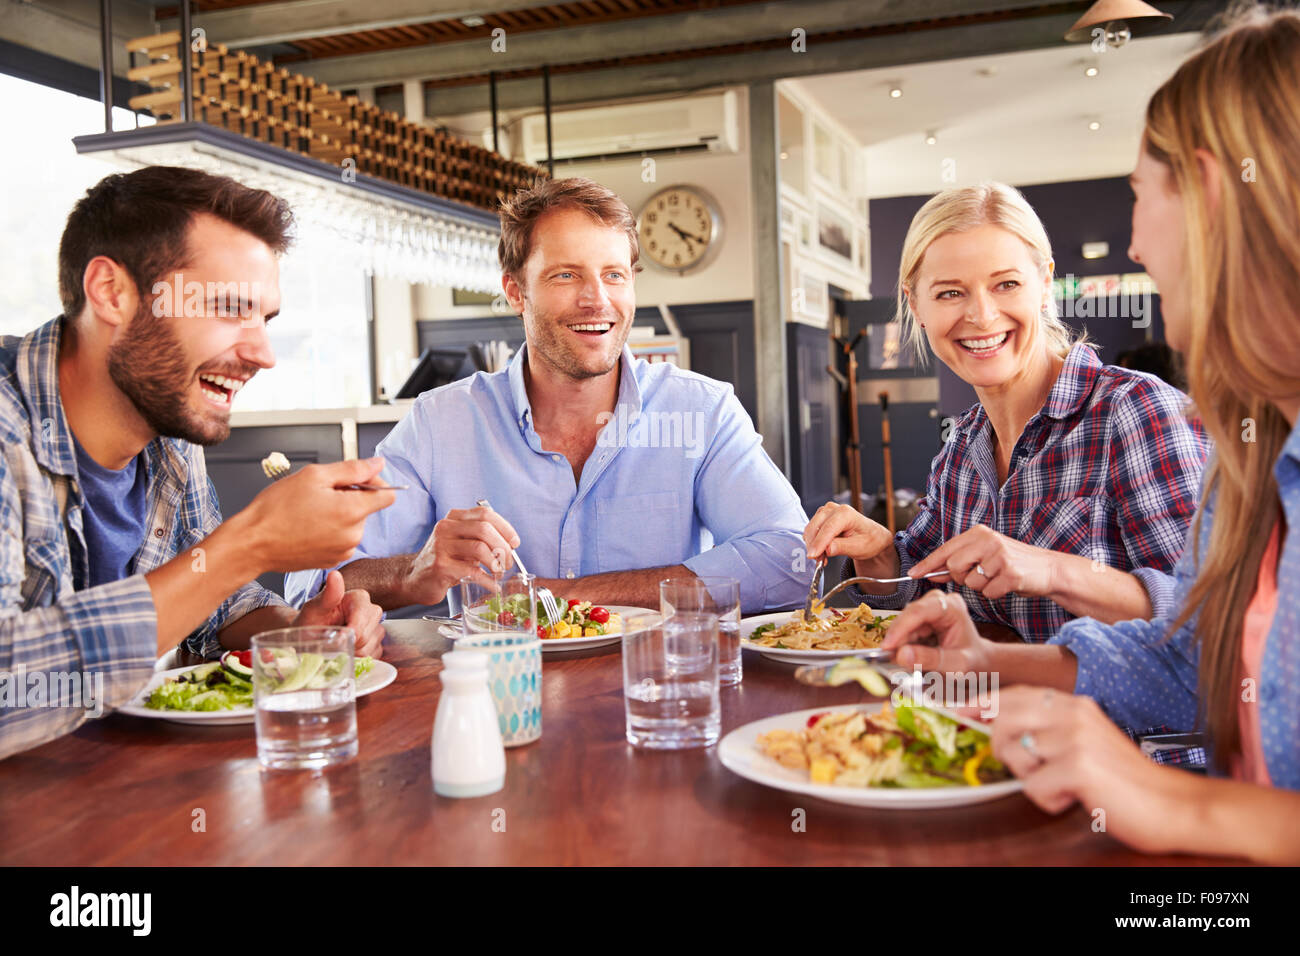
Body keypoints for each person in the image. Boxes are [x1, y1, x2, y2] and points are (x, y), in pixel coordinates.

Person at [882, 5, 1300, 863]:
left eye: (1142, 196)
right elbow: (1193, 665)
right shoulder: (1254, 446)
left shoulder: (1147, 411)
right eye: (949, 292)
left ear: (1215, 195)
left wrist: (1178, 804)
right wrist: (993, 666)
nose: (1138, 247)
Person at [0, 166, 394, 760]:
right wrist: (251, 543)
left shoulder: (169, 437)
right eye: (229, 309)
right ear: (111, 292)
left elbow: (216, 605)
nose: (262, 353)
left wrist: (298, 633)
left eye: (265, 319)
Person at [285, 177, 807, 614]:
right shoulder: (441, 423)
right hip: (497, 713)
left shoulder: (702, 412)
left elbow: (790, 560)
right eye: (566, 275)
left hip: (658, 702)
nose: (596, 300)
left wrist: (565, 599)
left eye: (614, 275)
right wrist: (412, 571)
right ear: (516, 291)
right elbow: (313, 582)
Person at [803, 182, 1208, 643]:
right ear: (915, 305)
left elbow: (1207, 617)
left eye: (1006, 284)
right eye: (950, 293)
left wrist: (1052, 570)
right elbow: (920, 589)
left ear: (1043, 284)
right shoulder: (961, 445)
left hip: (1103, 718)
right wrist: (878, 553)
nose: (982, 315)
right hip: (977, 711)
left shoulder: (1135, 412)